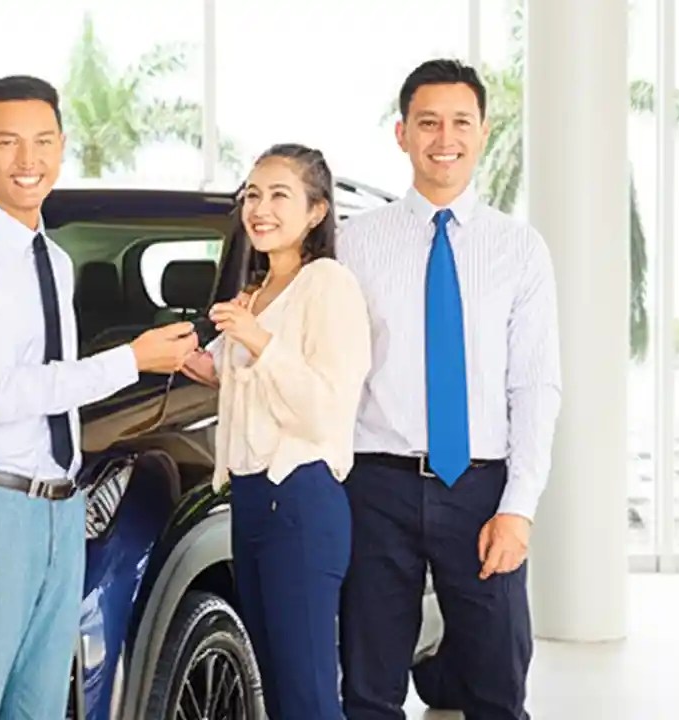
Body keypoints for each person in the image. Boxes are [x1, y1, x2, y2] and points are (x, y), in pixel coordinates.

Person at [0, 74, 199, 719]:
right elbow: (5, 393)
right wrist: (132, 360)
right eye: (7, 142)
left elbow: (55, 383)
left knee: (41, 706)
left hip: (62, 508)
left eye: (43, 141)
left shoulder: (54, 260)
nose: (28, 159)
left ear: (62, 146)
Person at [335, 58, 562, 720]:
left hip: (483, 492)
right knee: (368, 692)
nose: (445, 138)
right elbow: (317, 350)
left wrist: (519, 508)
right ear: (401, 133)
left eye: (461, 122)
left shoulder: (520, 250)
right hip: (376, 488)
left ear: (484, 132)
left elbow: (535, 385)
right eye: (428, 122)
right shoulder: (354, 243)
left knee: (497, 691)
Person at [180, 143, 372, 720]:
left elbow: (325, 410)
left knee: (309, 696)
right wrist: (197, 361)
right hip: (250, 501)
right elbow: (238, 382)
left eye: (279, 195)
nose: (260, 209)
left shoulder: (329, 284)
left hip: (301, 502)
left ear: (316, 211)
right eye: (253, 195)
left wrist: (257, 339)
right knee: (278, 692)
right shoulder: (258, 292)